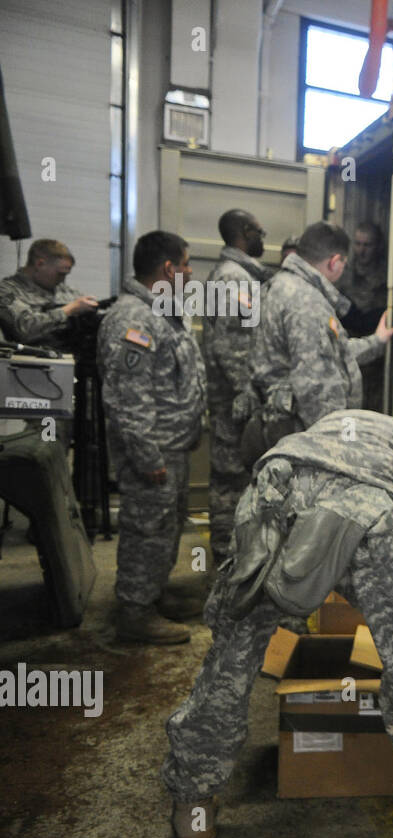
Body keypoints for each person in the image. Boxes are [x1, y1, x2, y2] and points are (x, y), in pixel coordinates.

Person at [161, 410, 393, 838]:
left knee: (230, 660)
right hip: (367, 518)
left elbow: (310, 530)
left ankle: (193, 809)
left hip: (270, 495)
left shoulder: (342, 426)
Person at [98, 231, 206, 644]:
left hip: (170, 446)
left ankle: (151, 596)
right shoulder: (133, 319)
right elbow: (127, 397)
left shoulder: (160, 312)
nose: (190, 271)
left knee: (165, 528)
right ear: (167, 269)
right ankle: (135, 613)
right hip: (153, 450)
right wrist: (148, 456)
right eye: (186, 264)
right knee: (147, 529)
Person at [242, 221, 393, 458]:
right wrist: (338, 447)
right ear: (335, 262)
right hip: (303, 439)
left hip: (276, 427)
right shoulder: (308, 304)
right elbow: (317, 387)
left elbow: (333, 351)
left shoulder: (277, 286)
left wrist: (377, 341)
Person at [204, 209, 275, 566]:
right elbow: (230, 349)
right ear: (246, 232)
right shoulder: (234, 280)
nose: (265, 238)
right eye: (261, 231)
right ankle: (227, 563)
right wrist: (248, 396)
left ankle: (229, 562)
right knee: (231, 485)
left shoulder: (234, 276)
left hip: (233, 401)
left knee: (231, 482)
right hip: (236, 404)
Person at [0, 239, 99, 348]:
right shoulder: (8, 291)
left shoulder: (63, 290)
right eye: (60, 274)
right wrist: (68, 310)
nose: (63, 280)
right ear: (40, 264)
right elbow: (24, 330)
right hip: (30, 360)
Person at [334, 222, 389, 412]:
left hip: (376, 361)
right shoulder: (341, 273)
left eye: (367, 245)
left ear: (378, 246)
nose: (361, 250)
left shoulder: (387, 276)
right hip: (348, 353)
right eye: (357, 244)